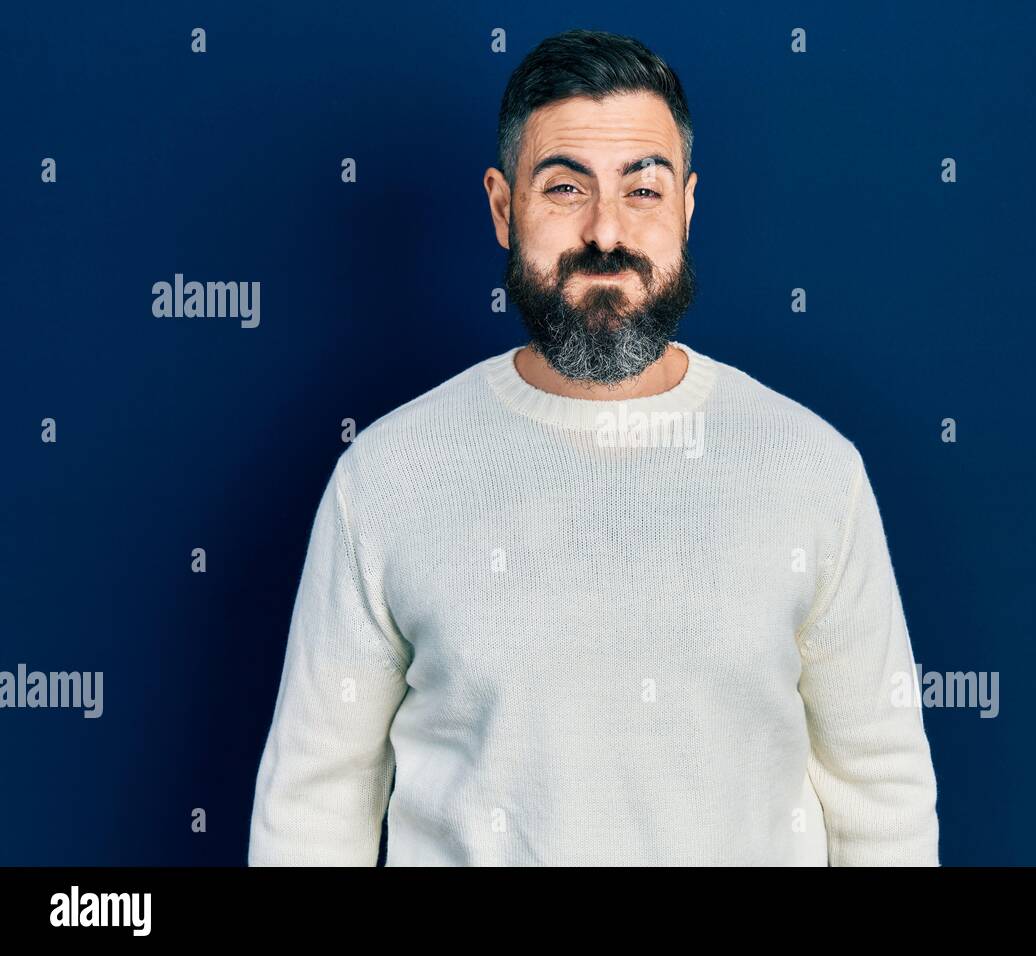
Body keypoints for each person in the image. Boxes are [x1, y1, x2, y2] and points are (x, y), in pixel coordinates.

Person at [248, 28, 939, 866]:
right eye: (566, 188)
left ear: (686, 204)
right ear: (504, 208)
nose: (606, 231)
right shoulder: (388, 478)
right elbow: (312, 808)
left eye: (642, 190)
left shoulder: (813, 472)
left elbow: (883, 798)